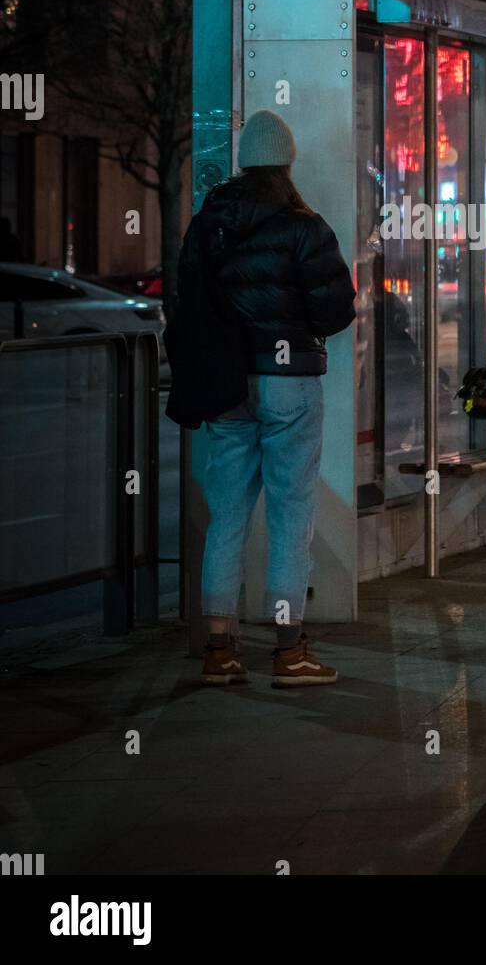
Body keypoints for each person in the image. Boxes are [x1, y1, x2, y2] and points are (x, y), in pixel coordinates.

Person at [167, 110, 356, 687]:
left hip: (225, 383)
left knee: (225, 518)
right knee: (290, 515)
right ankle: (288, 650)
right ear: (288, 163)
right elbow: (335, 309)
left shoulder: (207, 225)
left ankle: (220, 651)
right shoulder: (305, 227)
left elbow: (186, 300)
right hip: (289, 381)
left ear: (246, 162)